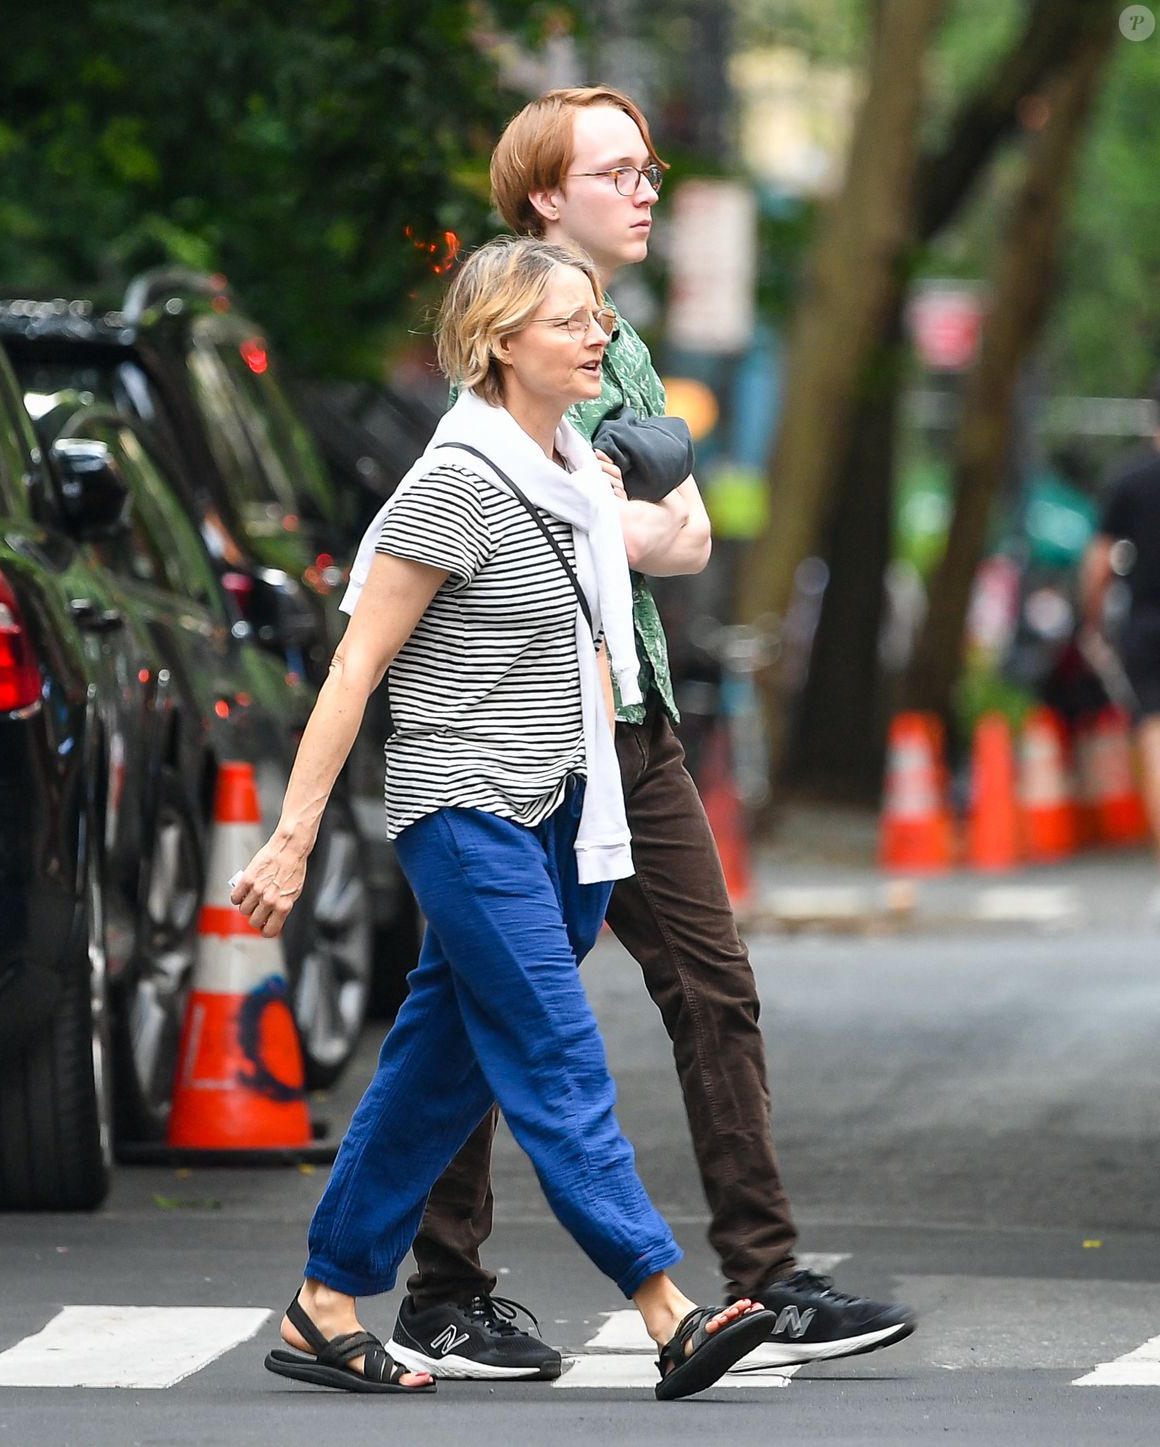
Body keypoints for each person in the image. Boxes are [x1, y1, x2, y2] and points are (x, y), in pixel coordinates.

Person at [387, 86, 917, 1383]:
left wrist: (617, 517)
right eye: (617, 170)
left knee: (714, 985)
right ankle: (441, 1289)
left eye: (650, 166)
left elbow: (684, 533)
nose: (647, 189)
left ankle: (768, 1274)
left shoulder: (618, 340)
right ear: (543, 198)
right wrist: (613, 518)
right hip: (514, 734)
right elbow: (543, 511)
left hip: (631, 716)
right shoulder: (510, 329)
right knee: (480, 999)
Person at [232, 234, 777, 1401]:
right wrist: (293, 834)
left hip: (563, 814)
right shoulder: (455, 484)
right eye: (569, 320)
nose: (597, 335)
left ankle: (327, 1300)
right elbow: (354, 669)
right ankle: (666, 1304)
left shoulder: (577, 474)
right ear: (498, 343)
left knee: (440, 1064)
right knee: (554, 1050)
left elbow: (641, 587)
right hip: (463, 808)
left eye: (597, 316)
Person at [1080, 373, 1160, 913]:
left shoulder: (1129, 480)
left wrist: (1092, 622)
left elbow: (1098, 561)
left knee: (1155, 738)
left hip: (1149, 624)